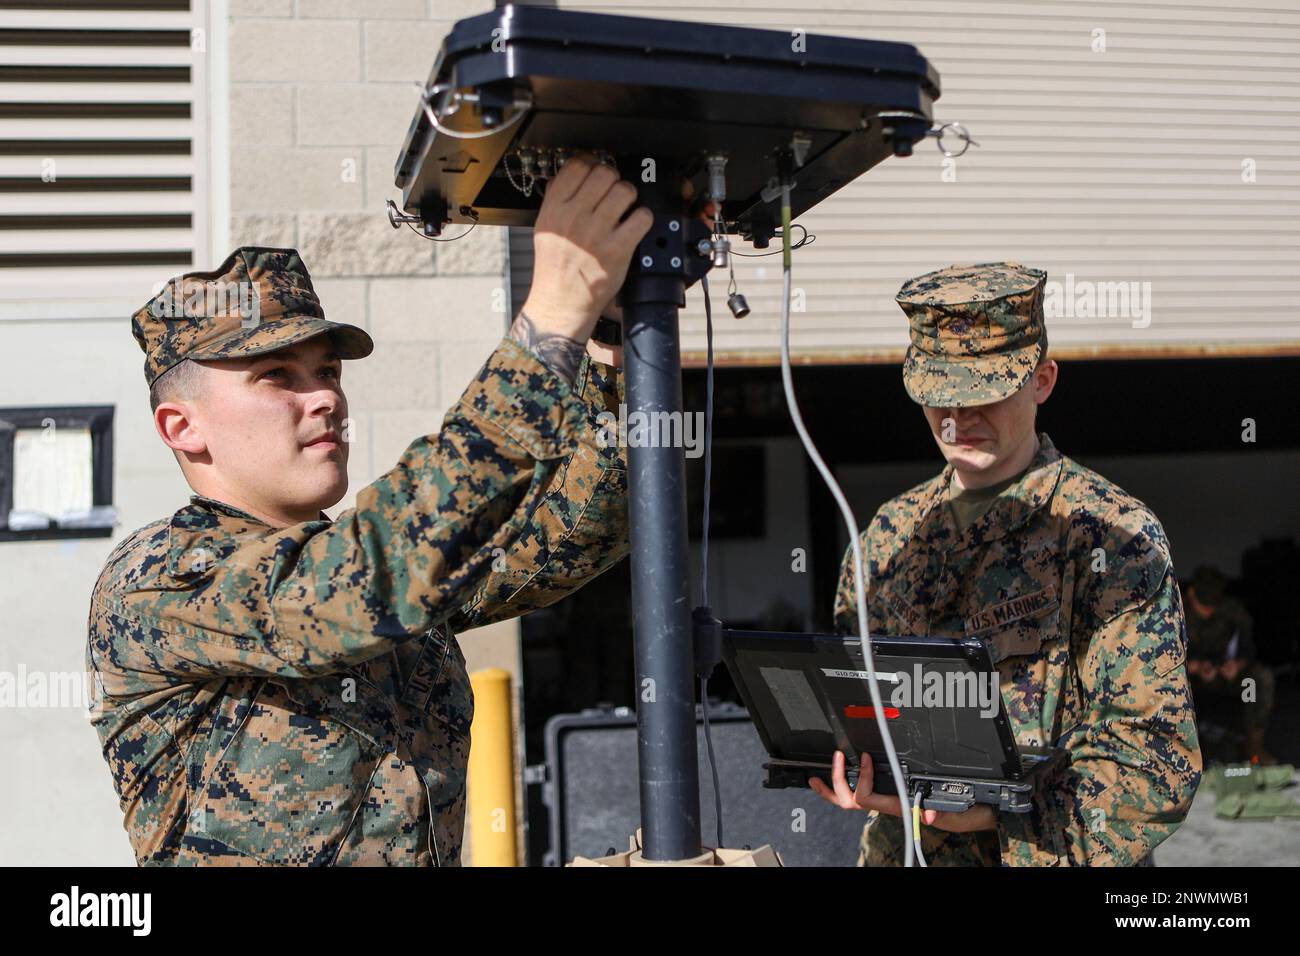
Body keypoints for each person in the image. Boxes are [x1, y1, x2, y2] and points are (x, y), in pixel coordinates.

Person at [86, 155, 657, 865]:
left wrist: (605, 340)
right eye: (277, 377)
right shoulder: (161, 580)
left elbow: (571, 536)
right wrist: (549, 326)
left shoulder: (371, 566)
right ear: (183, 428)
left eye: (326, 371)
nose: (325, 396)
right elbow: (374, 574)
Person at [811, 262, 1202, 866]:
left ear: (1042, 380)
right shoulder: (887, 535)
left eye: (984, 393)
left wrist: (997, 812)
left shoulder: (1110, 535)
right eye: (940, 396)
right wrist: (850, 759)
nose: (959, 418)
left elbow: (1153, 761)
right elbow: (858, 701)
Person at [1185, 565, 1277, 765]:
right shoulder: (1175, 611)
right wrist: (1194, 668)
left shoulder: (1232, 611)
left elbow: (1249, 650)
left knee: (1256, 682)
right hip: (1188, 679)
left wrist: (1237, 665)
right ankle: (1185, 755)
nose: (1209, 611)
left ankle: (1252, 747)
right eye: (1204, 606)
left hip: (1227, 677)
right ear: (1192, 594)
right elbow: (1162, 659)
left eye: (1213, 606)